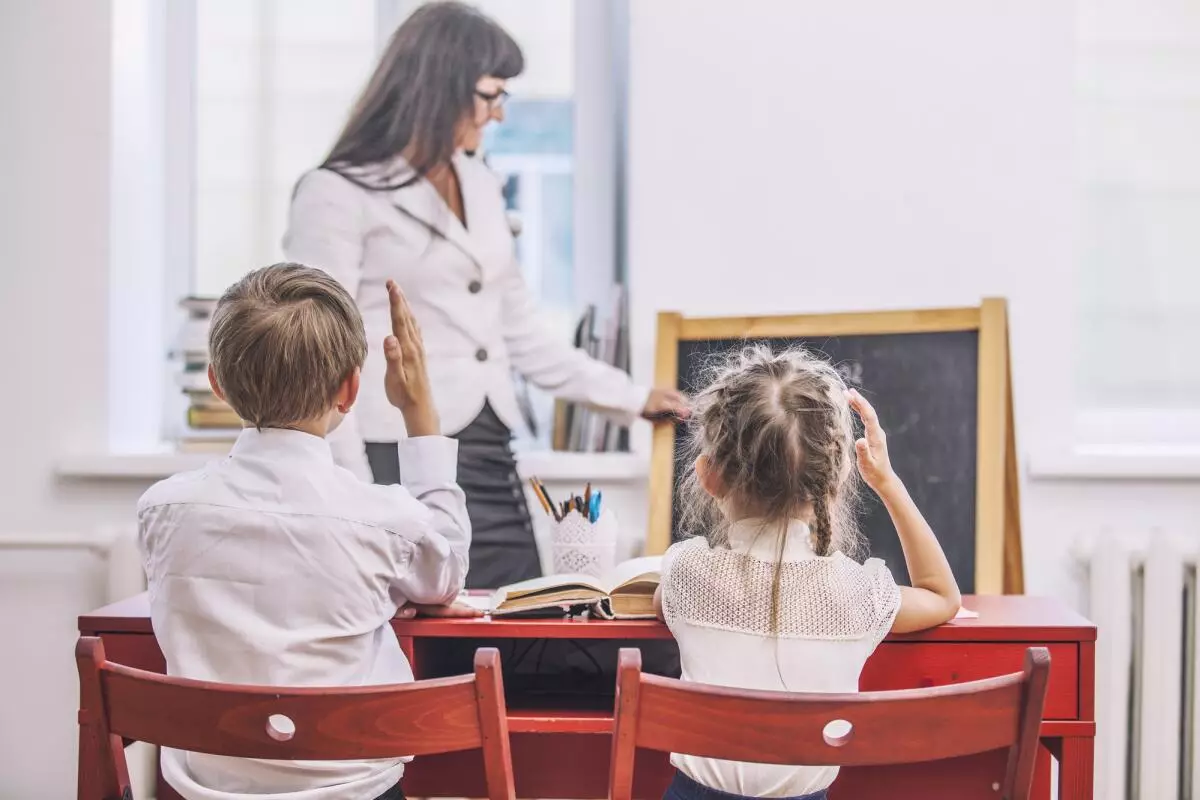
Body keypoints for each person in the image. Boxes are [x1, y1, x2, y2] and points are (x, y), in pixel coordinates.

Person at [283, 1, 686, 590]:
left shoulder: (481, 180)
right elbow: (321, 354)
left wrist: (632, 397)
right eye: (491, 94)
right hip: (389, 448)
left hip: (489, 440)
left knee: (520, 622)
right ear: (440, 86)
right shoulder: (335, 192)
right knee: (425, 636)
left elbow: (520, 331)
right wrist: (352, 488)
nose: (498, 115)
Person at [138, 264, 473, 800]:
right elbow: (446, 576)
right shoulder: (386, 519)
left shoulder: (161, 509)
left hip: (200, 790)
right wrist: (420, 417)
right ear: (351, 388)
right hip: (357, 790)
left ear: (217, 384)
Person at [654, 346, 961, 800]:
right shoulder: (858, 594)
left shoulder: (687, 572)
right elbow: (942, 596)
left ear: (708, 475)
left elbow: (660, 603)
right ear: (834, 482)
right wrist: (887, 481)